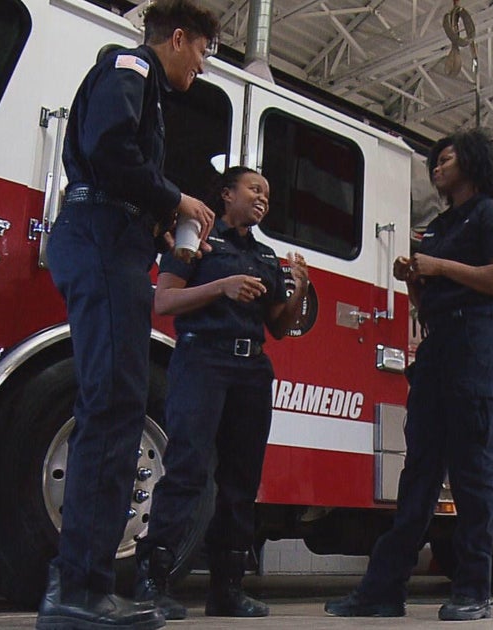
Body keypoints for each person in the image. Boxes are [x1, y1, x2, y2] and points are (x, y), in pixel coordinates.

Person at [38, 2, 219, 629]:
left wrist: (159, 219)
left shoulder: (137, 82)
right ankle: (80, 592)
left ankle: (80, 584)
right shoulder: (129, 67)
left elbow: (117, 161)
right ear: (178, 37)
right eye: (202, 50)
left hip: (113, 237)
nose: (201, 64)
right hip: (102, 238)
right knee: (114, 406)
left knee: (112, 404)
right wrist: (176, 198)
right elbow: (110, 148)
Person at [324, 128, 493, 622]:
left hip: (479, 339)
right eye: (434, 161)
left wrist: (441, 265)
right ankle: (383, 590)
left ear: (473, 161)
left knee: (473, 468)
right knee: (418, 472)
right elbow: (430, 299)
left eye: (447, 159)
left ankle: (474, 589)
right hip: (439, 342)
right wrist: (419, 280)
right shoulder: (440, 225)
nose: (437, 167)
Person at [132, 166, 309, 620]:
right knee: (188, 467)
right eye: (254, 188)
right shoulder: (197, 233)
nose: (263, 197)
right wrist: (222, 286)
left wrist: (299, 291)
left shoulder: (267, 256)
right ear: (227, 194)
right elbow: (165, 300)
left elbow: (280, 327)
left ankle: (227, 588)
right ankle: (153, 579)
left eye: (267, 192)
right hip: (203, 360)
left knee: (240, 480)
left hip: (252, 369)